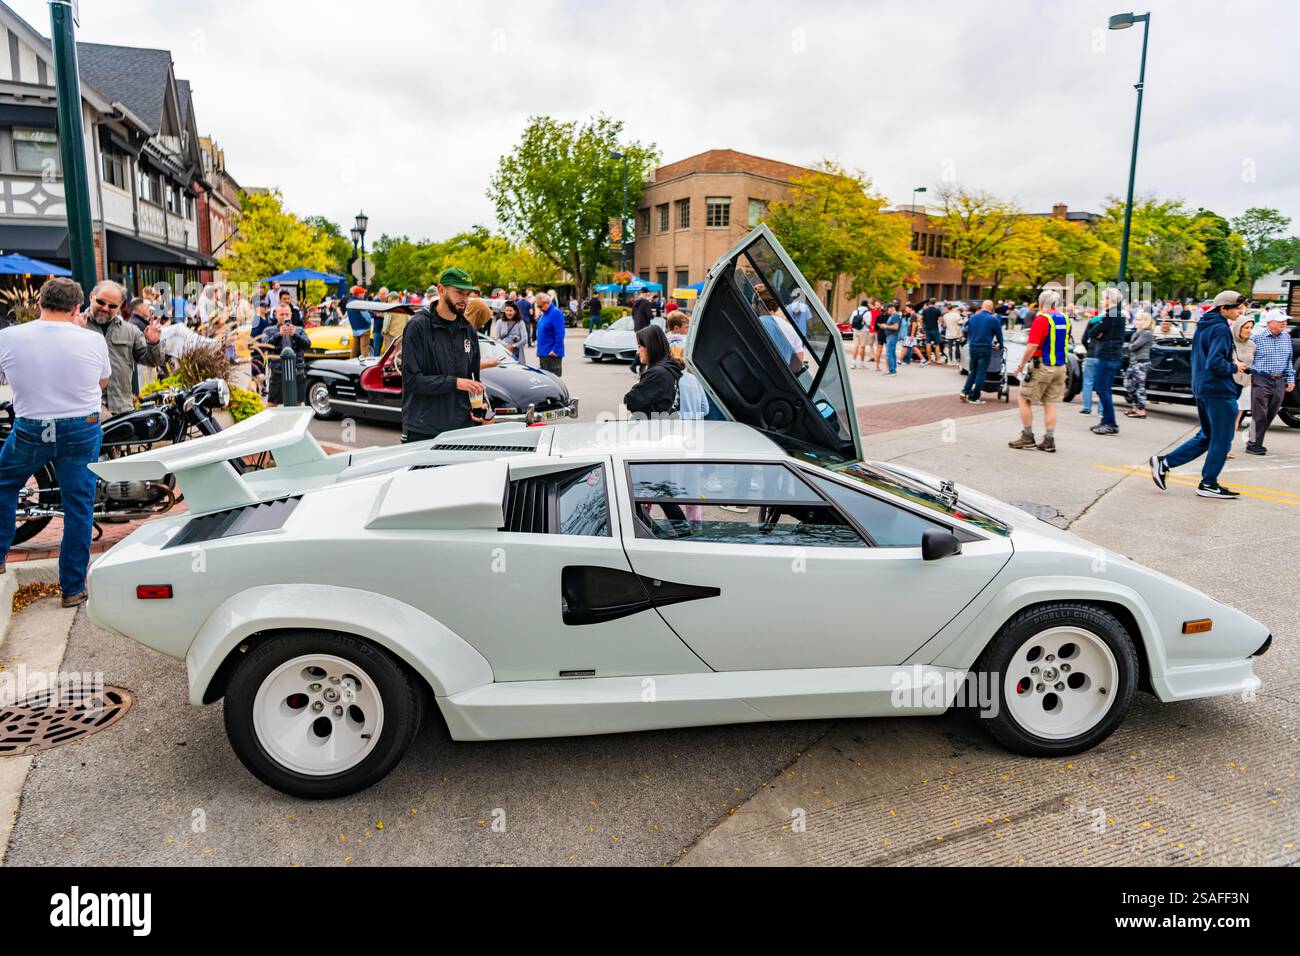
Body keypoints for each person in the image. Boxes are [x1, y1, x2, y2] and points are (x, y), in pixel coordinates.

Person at [0, 277, 110, 606]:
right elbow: (101, 381)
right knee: (79, 506)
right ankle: (72, 588)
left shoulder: (9, 337)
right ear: (78, 308)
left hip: (32, 427)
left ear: (39, 303)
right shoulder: (92, 339)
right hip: (81, 426)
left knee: (4, 484)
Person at [1150, 291, 1250, 499]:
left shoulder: (1204, 324)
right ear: (1223, 308)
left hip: (1203, 387)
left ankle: (1165, 462)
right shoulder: (1221, 328)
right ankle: (1208, 483)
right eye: (1237, 308)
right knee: (1222, 439)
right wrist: (1235, 366)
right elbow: (1215, 362)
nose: (1240, 312)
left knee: (1207, 436)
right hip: (1218, 389)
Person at [401, 267, 484, 443]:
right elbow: (412, 380)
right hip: (425, 429)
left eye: (468, 294)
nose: (464, 299)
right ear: (440, 290)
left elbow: (473, 378)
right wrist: (455, 383)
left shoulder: (468, 330)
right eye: (459, 292)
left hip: (463, 427)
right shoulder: (418, 326)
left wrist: (481, 406)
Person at [82, 280, 165, 415]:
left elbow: (152, 361)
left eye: (112, 305)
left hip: (122, 409)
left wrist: (153, 342)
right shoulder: (76, 326)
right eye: (101, 302)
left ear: (120, 306)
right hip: (88, 411)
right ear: (91, 297)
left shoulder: (130, 331)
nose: (105, 308)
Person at [1008, 290, 1071, 452]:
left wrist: (1021, 364)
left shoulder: (1041, 320)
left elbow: (1033, 345)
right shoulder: (1065, 319)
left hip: (1042, 365)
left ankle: (1027, 436)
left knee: (1024, 398)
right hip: (1060, 367)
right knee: (1050, 403)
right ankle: (1049, 440)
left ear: (1041, 303)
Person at [1088, 288, 1126, 435]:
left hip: (1107, 356)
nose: (1102, 301)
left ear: (1110, 300)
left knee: (1101, 389)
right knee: (1105, 390)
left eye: (1103, 299)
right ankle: (1106, 421)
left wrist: (1098, 333)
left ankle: (1110, 423)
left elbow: (1093, 332)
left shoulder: (1111, 315)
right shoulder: (1118, 315)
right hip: (1113, 356)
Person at [624, 325, 683, 417]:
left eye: (639, 346)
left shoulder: (657, 374)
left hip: (652, 427)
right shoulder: (671, 368)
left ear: (650, 347)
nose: (637, 352)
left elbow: (630, 401)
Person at [260, 305, 310, 406]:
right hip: (278, 372)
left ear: (291, 315)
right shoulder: (269, 330)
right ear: (276, 315)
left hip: (297, 371)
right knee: (271, 404)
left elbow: (307, 344)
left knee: (297, 404)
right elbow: (265, 346)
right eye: (281, 314)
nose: (284, 316)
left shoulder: (299, 329)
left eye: (286, 314)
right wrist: (279, 335)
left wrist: (294, 334)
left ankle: (293, 422)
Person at [960, 300, 1003, 403]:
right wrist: (1001, 345)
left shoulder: (973, 318)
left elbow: (965, 330)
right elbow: (999, 335)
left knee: (973, 371)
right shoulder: (993, 319)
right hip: (984, 347)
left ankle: (965, 391)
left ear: (982, 307)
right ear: (991, 308)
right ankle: (974, 397)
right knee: (981, 372)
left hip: (973, 346)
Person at [1123, 311, 1156, 419]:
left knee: (1139, 386)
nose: (1136, 322)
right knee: (1128, 383)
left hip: (1141, 362)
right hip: (1134, 362)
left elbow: (1133, 347)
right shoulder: (1139, 332)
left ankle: (1141, 410)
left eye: (1139, 319)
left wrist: (1131, 345)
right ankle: (1135, 406)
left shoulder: (1146, 333)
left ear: (1145, 321)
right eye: (1136, 319)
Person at [534, 292, 566, 376]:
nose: (539, 308)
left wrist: (555, 350)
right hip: (544, 353)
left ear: (547, 303)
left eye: (540, 306)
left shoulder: (555, 313)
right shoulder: (544, 314)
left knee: (552, 381)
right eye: (537, 306)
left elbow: (560, 333)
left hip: (551, 354)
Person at [920, 299, 944, 364]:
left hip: (927, 329)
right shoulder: (937, 310)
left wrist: (923, 325)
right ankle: (938, 360)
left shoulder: (925, 311)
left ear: (929, 303)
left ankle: (929, 360)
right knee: (937, 344)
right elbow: (940, 320)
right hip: (935, 329)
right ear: (935, 303)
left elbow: (920, 319)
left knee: (928, 344)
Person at [848, 300, 870, 369]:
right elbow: (868, 323)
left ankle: (853, 363)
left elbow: (851, 321)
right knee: (862, 347)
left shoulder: (855, 311)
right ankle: (862, 363)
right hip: (863, 331)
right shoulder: (868, 312)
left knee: (855, 346)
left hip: (856, 330)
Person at [880, 304, 902, 375]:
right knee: (892, 353)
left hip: (892, 336)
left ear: (892, 308)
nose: (887, 311)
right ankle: (892, 369)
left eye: (888, 309)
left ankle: (892, 371)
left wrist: (886, 326)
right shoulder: (893, 315)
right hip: (890, 336)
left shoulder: (895, 315)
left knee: (889, 353)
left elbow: (896, 327)